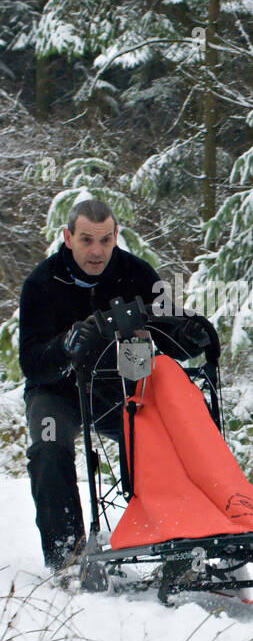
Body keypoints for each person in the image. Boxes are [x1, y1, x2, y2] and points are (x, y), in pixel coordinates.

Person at [18, 198, 211, 571]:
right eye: (87, 240)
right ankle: (67, 556)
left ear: (116, 236)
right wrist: (64, 346)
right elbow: (32, 364)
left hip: (119, 390)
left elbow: (170, 337)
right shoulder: (41, 283)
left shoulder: (136, 273)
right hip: (59, 392)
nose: (97, 251)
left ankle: (172, 539)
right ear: (68, 237)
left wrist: (193, 334)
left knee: (163, 435)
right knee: (47, 445)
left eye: (105, 240)